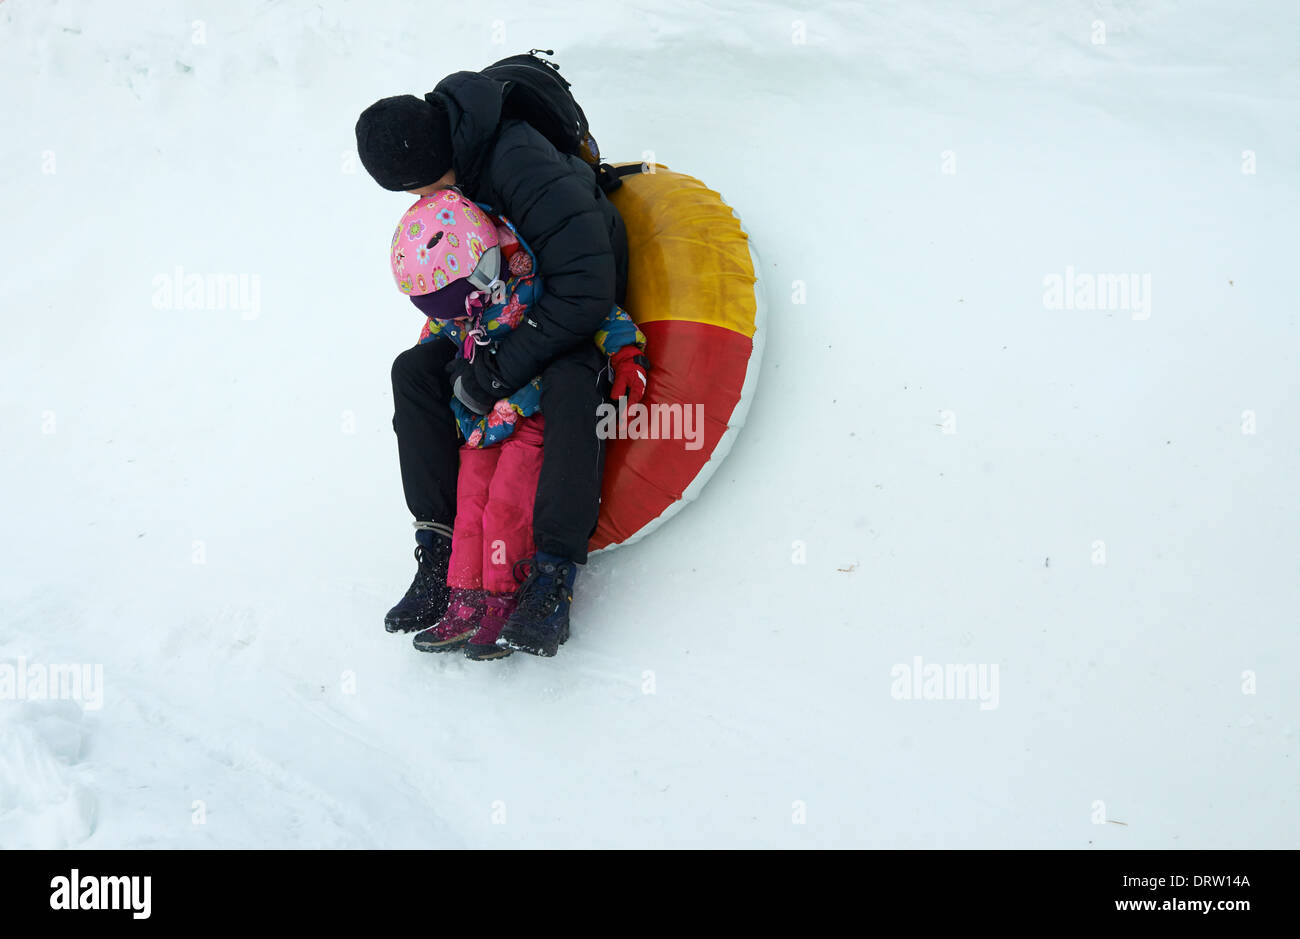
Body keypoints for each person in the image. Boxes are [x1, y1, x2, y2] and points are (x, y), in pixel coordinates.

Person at [357, 68, 630, 656]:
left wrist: (497, 370)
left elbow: (585, 291)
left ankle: (553, 576)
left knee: (568, 380)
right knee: (415, 372)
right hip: (504, 307)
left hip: (579, 306)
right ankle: (441, 556)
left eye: (413, 189)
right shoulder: (459, 174)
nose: (417, 202)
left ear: (429, 165)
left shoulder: (518, 168)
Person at [387, 190, 646, 659]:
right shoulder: (461, 300)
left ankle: (523, 590)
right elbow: (445, 331)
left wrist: (625, 353)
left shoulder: (534, 273)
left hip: (534, 410)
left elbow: (592, 308)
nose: (458, 315)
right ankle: (459, 591)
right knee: (471, 504)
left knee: (506, 503)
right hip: (486, 423)